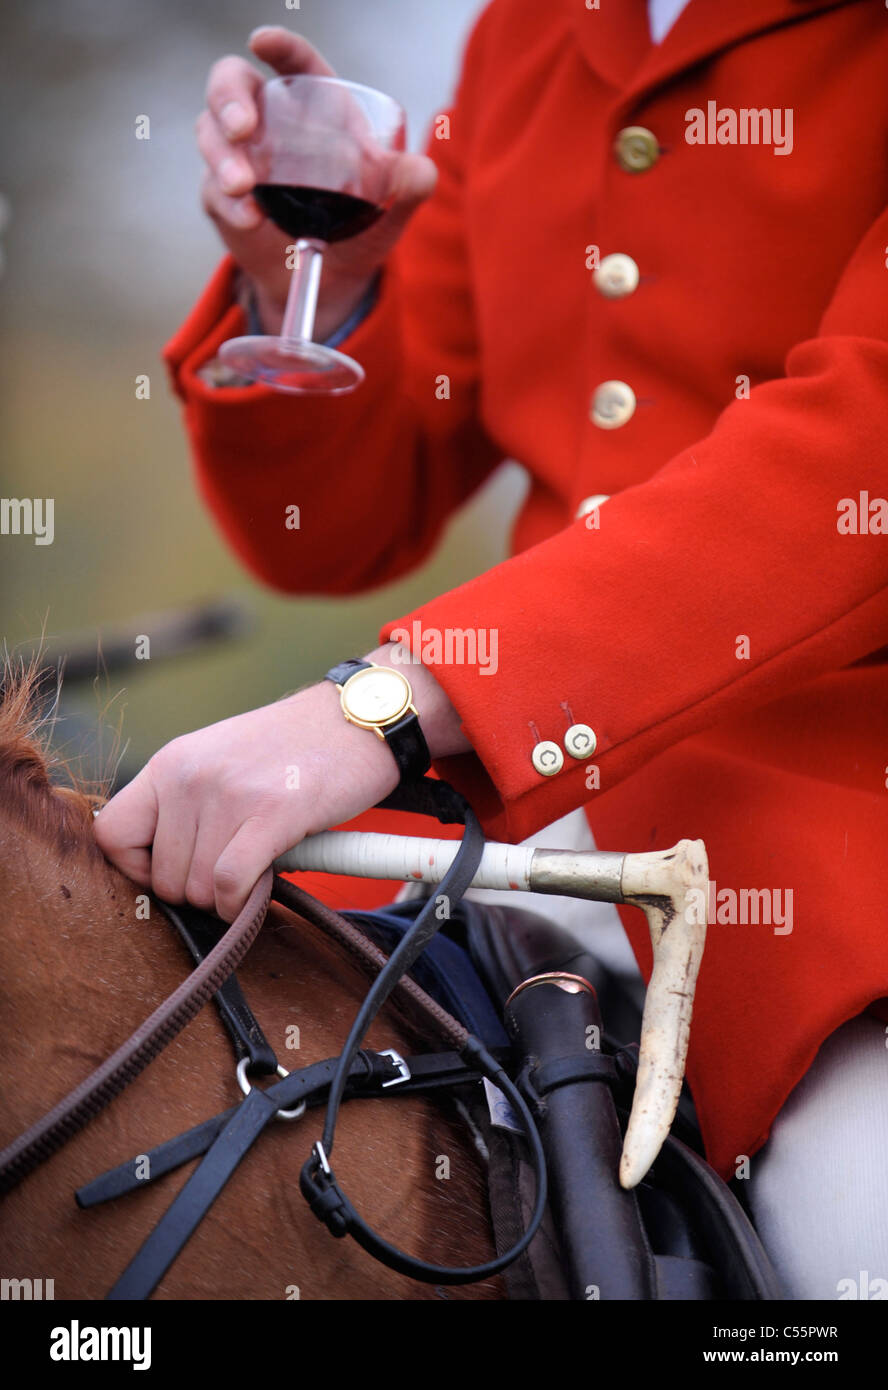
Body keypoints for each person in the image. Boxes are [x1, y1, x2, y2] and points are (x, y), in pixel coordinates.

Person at [95, 4, 888, 1299]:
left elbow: (865, 447)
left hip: (839, 841)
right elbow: (340, 525)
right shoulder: (530, 33)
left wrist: (392, 703)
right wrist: (326, 295)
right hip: (513, 814)